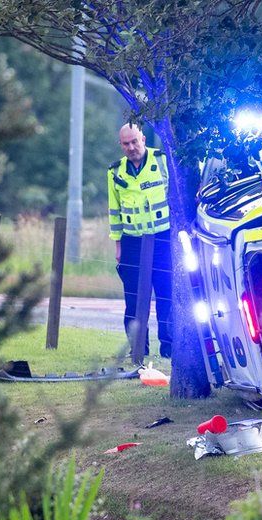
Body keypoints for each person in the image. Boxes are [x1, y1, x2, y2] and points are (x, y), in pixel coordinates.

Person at [108, 123, 172, 359]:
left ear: (143, 139)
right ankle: (138, 351)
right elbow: (114, 211)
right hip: (132, 241)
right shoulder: (115, 172)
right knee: (133, 299)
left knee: (166, 294)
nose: (132, 147)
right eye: (126, 143)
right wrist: (118, 245)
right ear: (121, 145)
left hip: (163, 238)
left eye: (135, 141)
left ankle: (169, 348)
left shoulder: (163, 161)